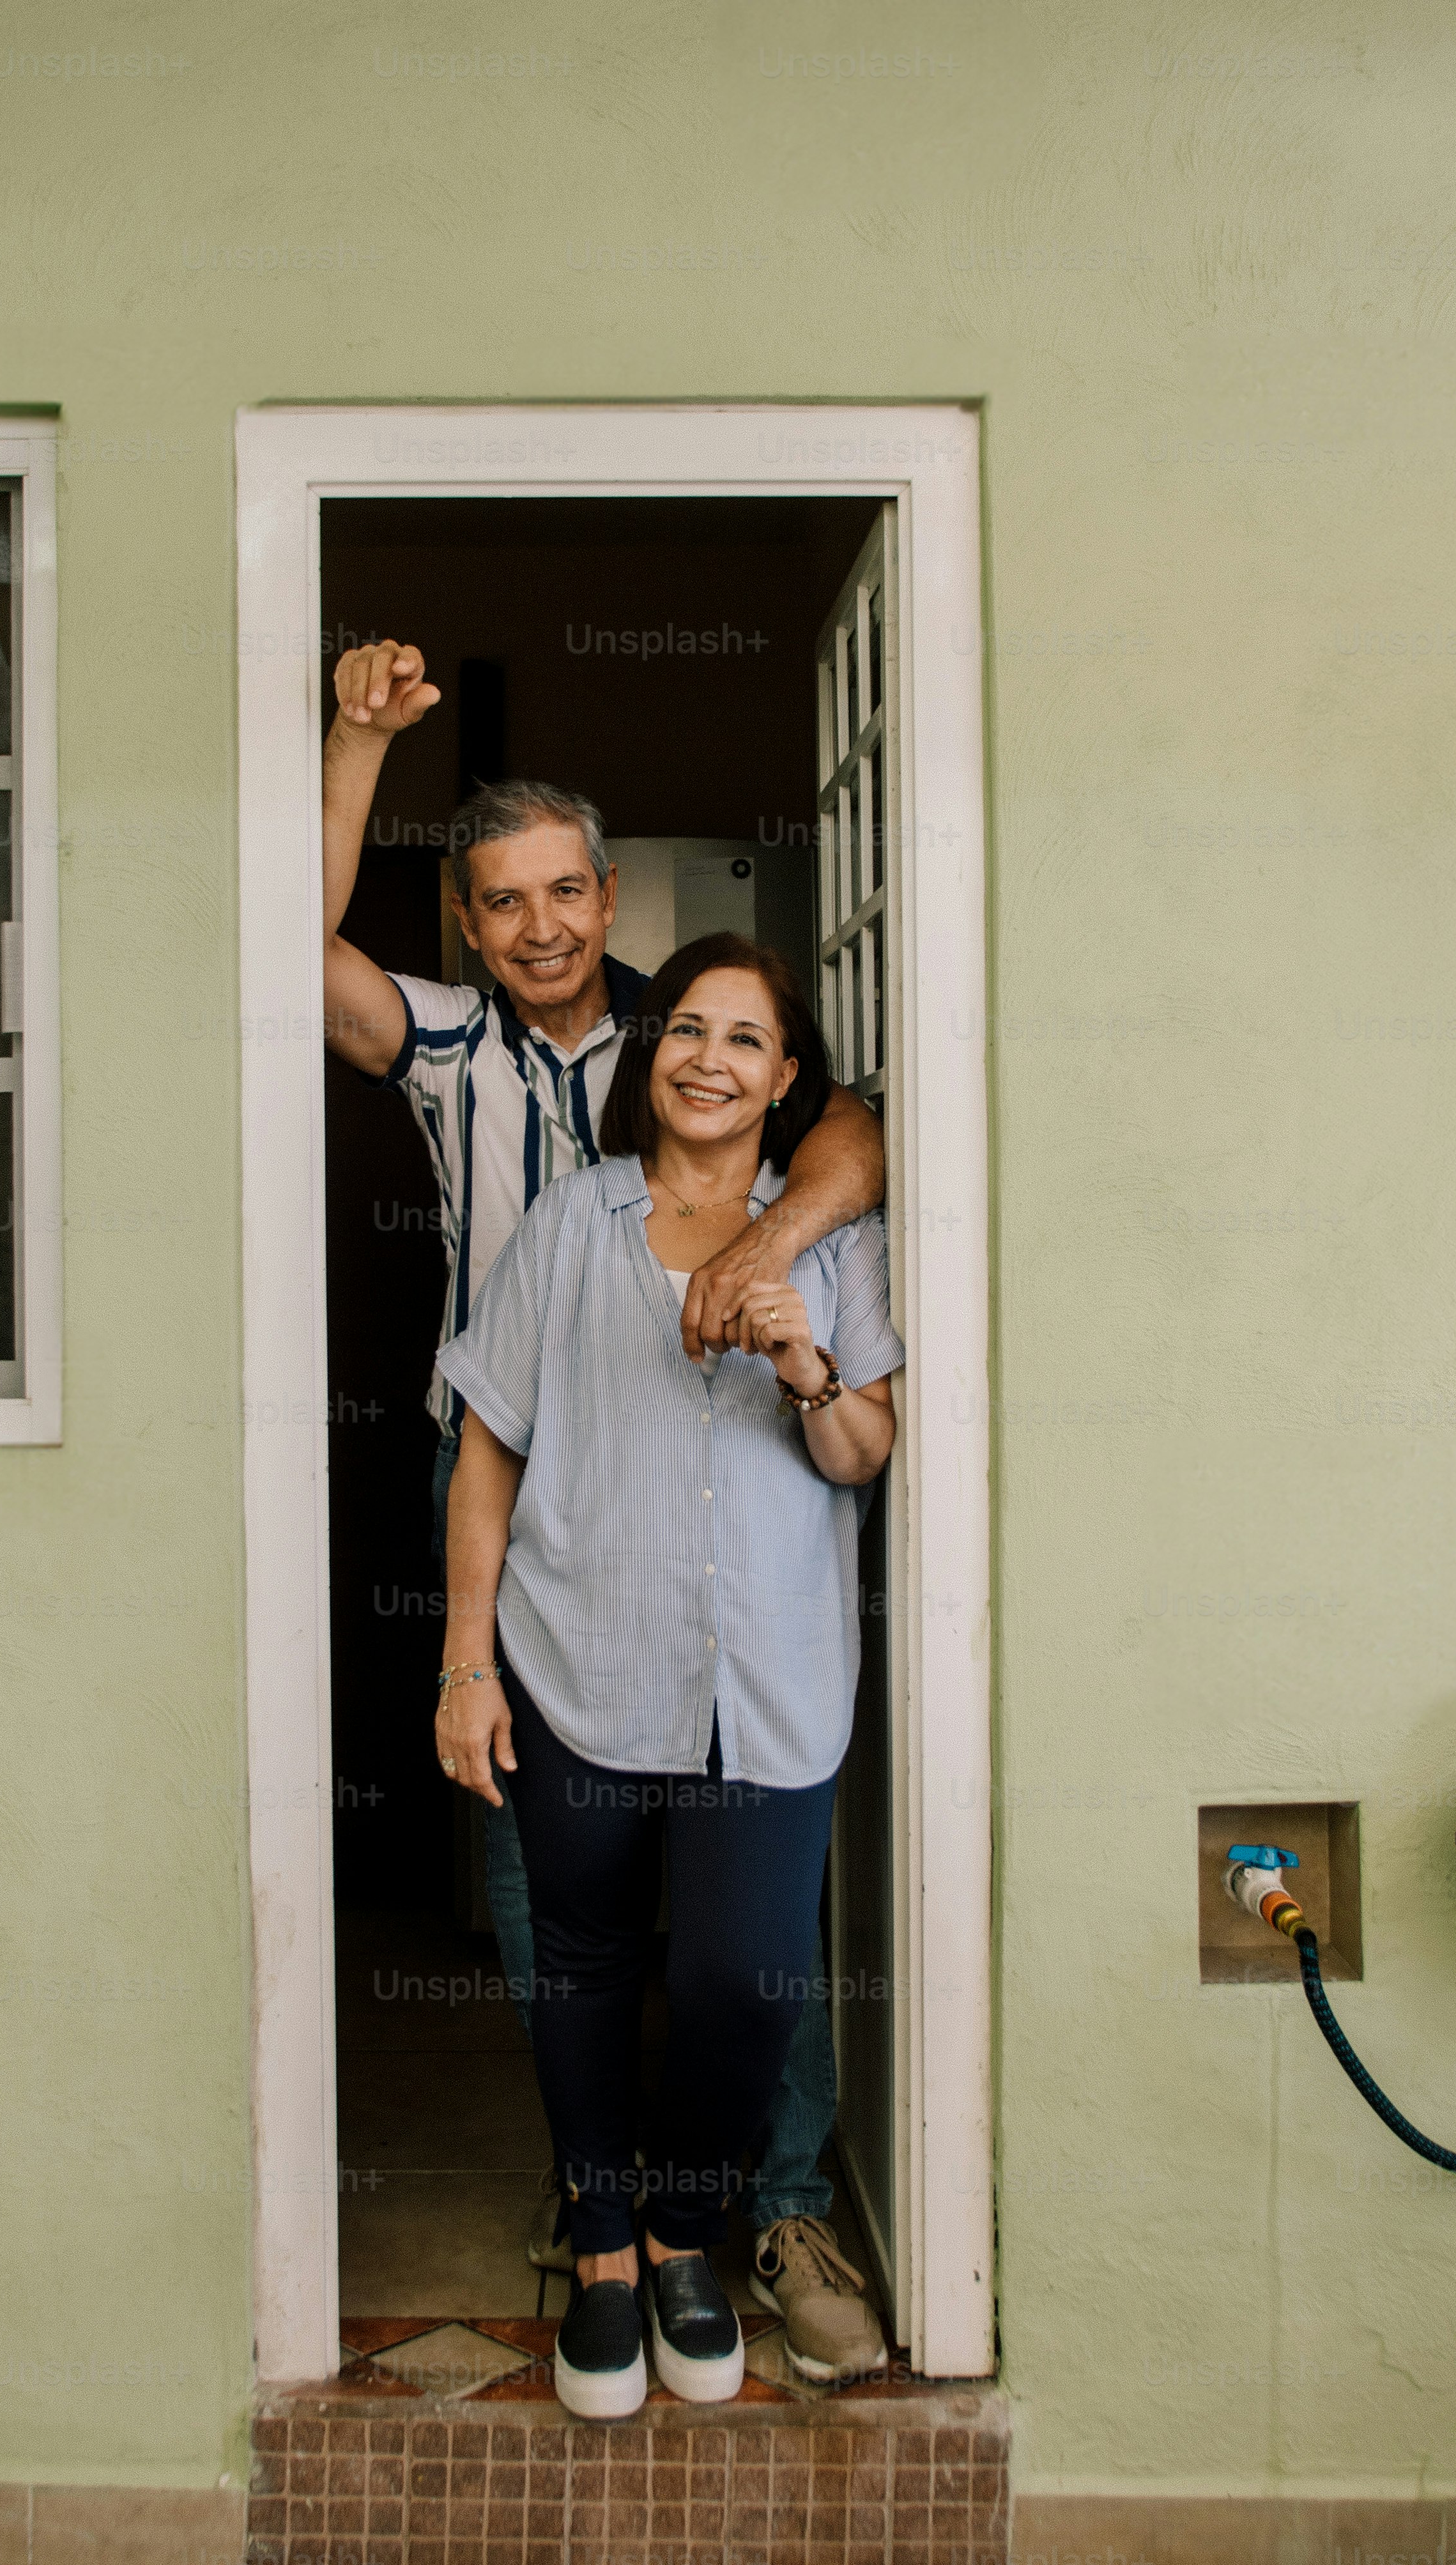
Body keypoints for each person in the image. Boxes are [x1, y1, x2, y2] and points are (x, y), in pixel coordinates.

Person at [318, 640, 889, 2382]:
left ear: (609, 893)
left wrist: (775, 1256)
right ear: (465, 919)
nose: (543, 926)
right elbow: (268, 951)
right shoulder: (434, 1044)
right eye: (503, 904)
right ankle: (598, 2206)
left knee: (743, 1915)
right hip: (511, 1457)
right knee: (546, 1888)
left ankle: (757, 2204)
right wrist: (349, 742)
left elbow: (848, 1124)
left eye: (567, 890)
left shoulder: (687, 1025)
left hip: (734, 1485)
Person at [432, 933, 900, 2417]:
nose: (707, 1057)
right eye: (685, 1027)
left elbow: (862, 1454)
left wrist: (807, 1366)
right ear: (657, 1056)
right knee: (578, 1966)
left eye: (744, 1039)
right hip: (579, 1663)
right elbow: (486, 1447)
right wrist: (463, 1663)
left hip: (769, 1682)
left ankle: (689, 2223)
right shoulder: (570, 1224)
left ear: (785, 1079)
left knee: (736, 1979)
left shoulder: (828, 1239)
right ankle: (605, 2244)